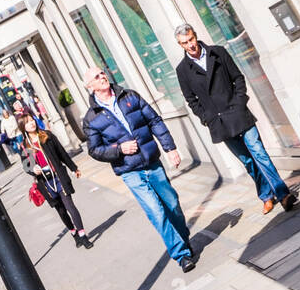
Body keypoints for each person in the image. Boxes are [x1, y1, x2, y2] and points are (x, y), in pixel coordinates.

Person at [82, 66, 195, 273]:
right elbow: (94, 150)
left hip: (152, 162)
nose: (102, 77)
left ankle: (184, 240)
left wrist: (170, 148)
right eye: (97, 77)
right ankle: (181, 254)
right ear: (90, 87)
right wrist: (118, 149)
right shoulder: (91, 118)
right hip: (129, 171)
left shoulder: (130, 96)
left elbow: (154, 121)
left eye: (102, 73)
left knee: (172, 205)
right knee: (156, 212)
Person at [175, 24, 297, 215]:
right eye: (184, 43)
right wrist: (206, 118)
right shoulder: (182, 70)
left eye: (190, 39)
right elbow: (191, 100)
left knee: (259, 152)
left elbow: (238, 78)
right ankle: (266, 195)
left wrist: (240, 102)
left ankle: (282, 194)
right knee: (247, 161)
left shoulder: (218, 52)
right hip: (219, 122)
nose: (190, 45)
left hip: (238, 112)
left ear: (195, 36)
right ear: (180, 45)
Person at [19, 115, 93, 249]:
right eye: (27, 122)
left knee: (70, 207)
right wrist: (33, 170)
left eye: (31, 120)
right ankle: (74, 233)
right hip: (45, 183)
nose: (31, 123)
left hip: (59, 177)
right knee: (61, 211)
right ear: (23, 127)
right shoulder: (25, 146)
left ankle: (83, 235)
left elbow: (62, 153)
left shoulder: (46, 136)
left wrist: (73, 167)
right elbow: (26, 166)